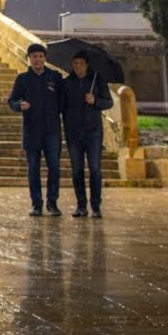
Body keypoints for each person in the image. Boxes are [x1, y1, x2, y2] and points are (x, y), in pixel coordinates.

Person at [7, 43, 64, 216]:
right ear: (29, 59)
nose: (37, 59)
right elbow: (12, 101)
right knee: (33, 169)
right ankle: (36, 204)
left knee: (54, 167)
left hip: (52, 131)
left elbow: (63, 101)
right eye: (34, 56)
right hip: (32, 131)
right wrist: (19, 105)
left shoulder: (55, 77)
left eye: (40, 56)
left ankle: (52, 203)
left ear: (44, 58)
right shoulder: (22, 79)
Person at [61, 51, 114, 218]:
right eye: (75, 63)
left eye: (81, 63)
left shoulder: (97, 81)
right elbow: (61, 105)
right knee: (77, 170)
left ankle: (96, 206)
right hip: (73, 132)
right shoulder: (67, 83)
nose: (78, 66)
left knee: (95, 169)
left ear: (87, 65)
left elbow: (109, 102)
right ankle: (81, 205)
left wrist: (95, 101)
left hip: (93, 132)